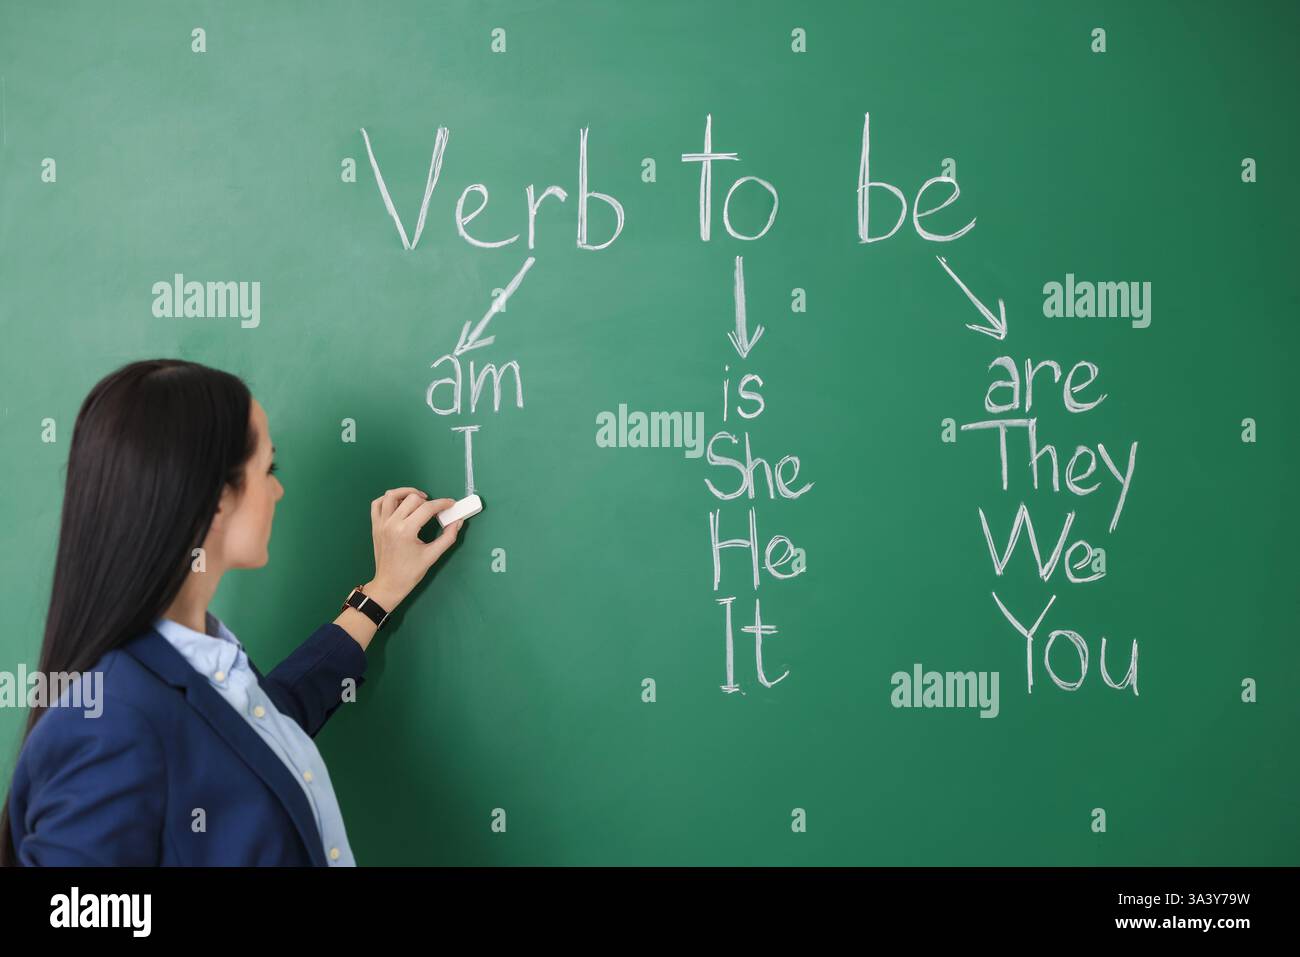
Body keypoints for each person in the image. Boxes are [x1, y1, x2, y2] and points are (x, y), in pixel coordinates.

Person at [0, 359, 463, 865]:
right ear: (216, 499)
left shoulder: (198, 665)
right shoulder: (107, 723)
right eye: (268, 469)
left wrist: (380, 593)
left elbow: (261, 722)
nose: (278, 490)